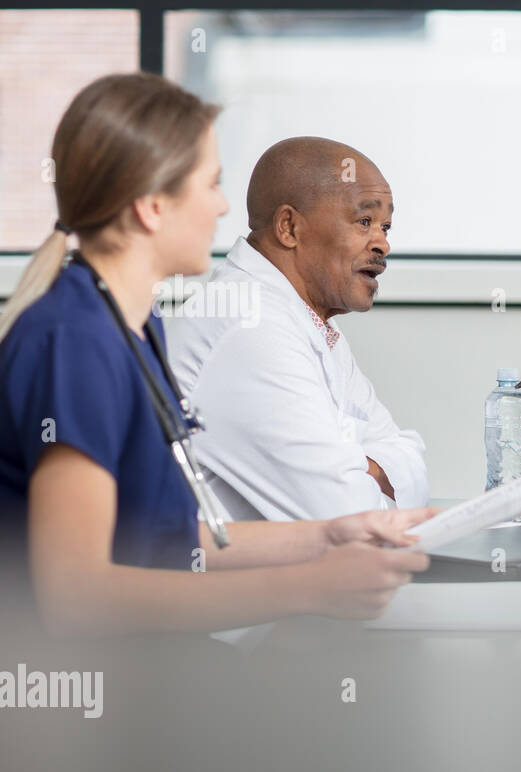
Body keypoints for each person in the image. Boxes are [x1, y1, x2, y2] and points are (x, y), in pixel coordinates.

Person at [0, 73, 429, 638]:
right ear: (153, 206)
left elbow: (167, 538)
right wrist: (310, 585)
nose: (225, 206)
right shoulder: (75, 342)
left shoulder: (136, 326)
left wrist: (329, 536)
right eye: (211, 185)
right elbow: (76, 595)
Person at [165, 137, 429, 521]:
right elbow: (352, 522)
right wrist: (368, 468)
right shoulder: (250, 326)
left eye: (386, 226)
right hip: (214, 579)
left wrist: (360, 468)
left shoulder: (306, 321)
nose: (383, 244)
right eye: (364, 221)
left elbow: (413, 463)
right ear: (289, 227)